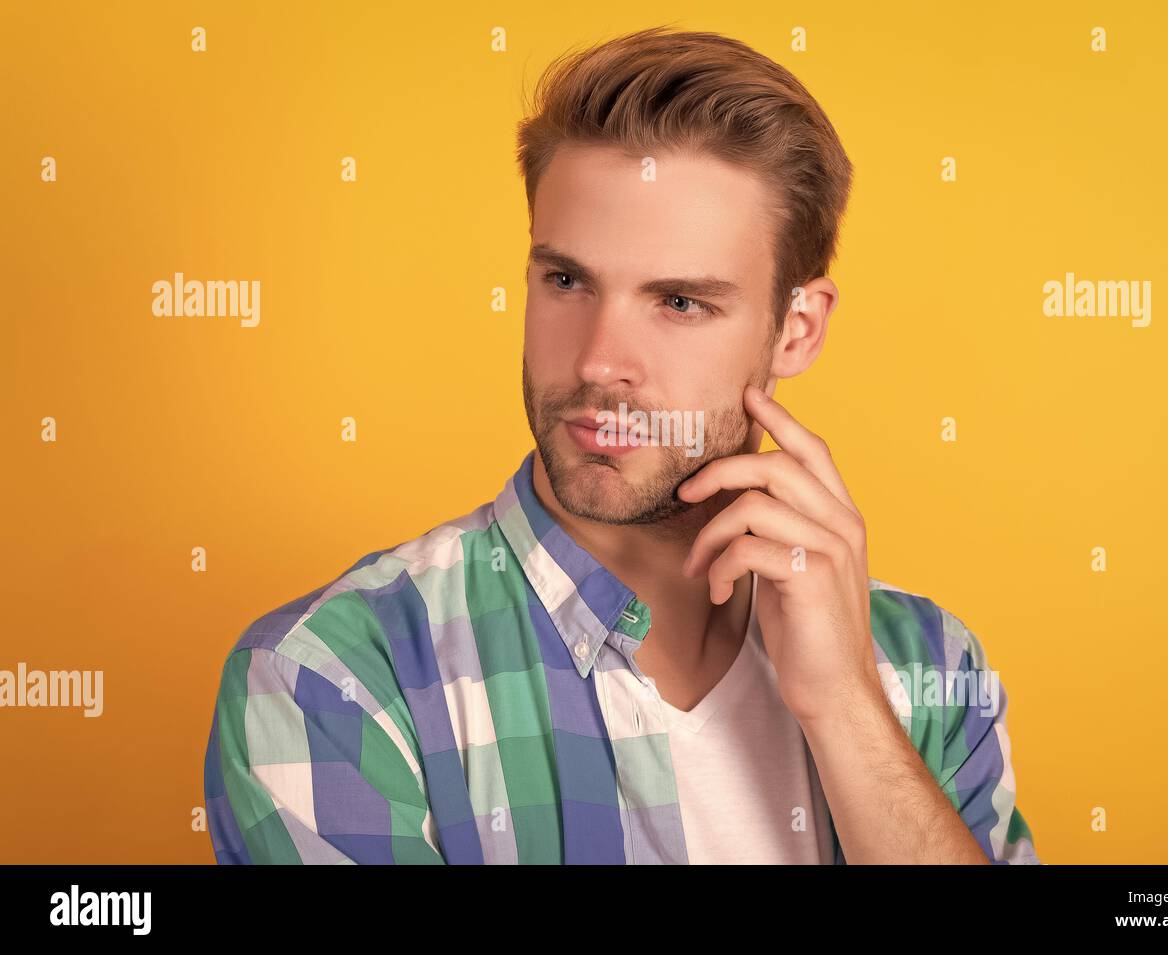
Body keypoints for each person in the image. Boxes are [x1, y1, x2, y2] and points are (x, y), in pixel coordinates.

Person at [203, 25, 1040, 865]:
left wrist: (849, 710)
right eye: (566, 281)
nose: (600, 360)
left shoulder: (930, 666)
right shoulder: (332, 680)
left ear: (796, 329)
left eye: (679, 302)